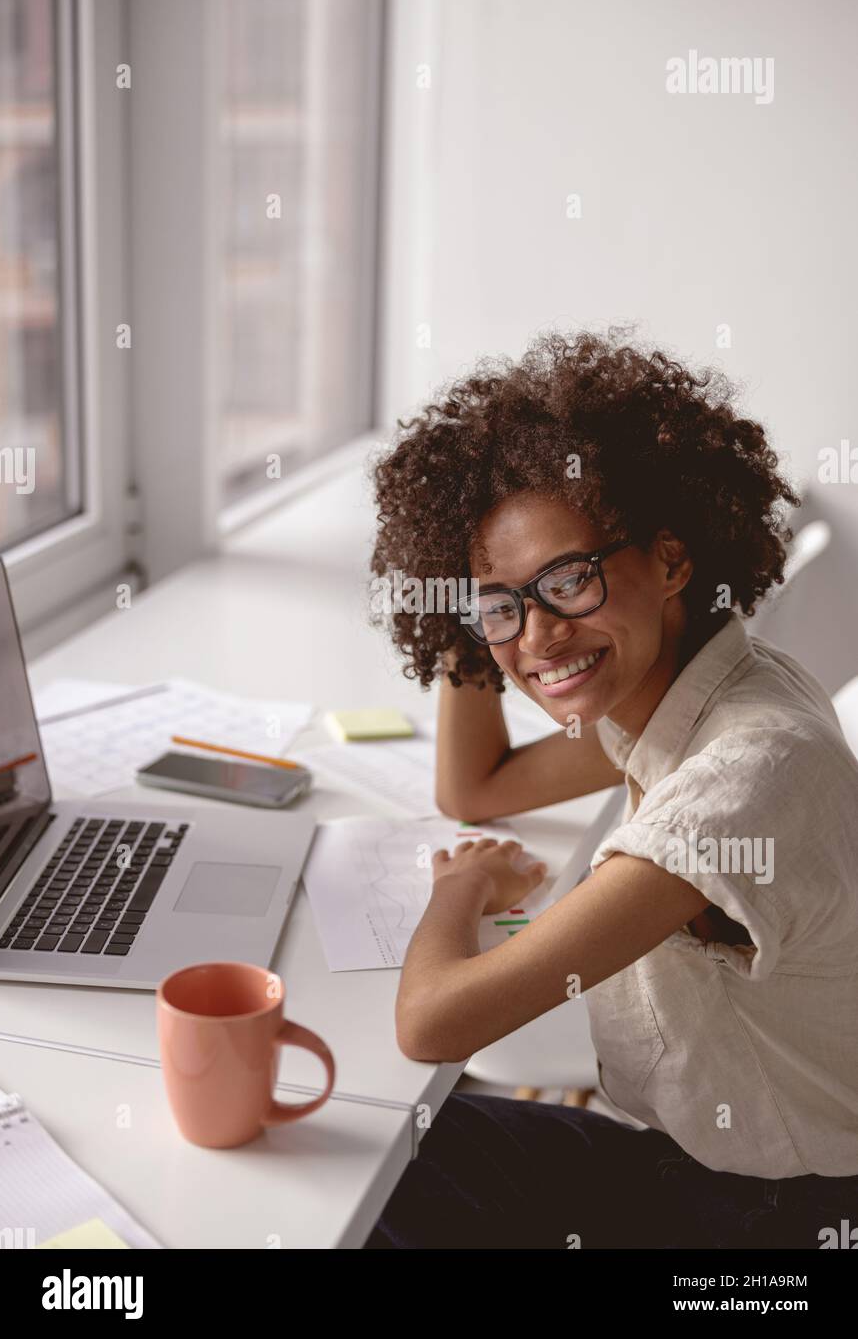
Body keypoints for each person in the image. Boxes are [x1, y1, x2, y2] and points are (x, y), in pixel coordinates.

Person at [362, 329, 858, 1249]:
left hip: (777, 1228)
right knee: (385, 1147)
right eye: (505, 603)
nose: (541, 637)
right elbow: (478, 785)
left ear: (673, 560)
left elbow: (434, 1023)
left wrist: (461, 887)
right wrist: (486, 612)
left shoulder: (743, 776)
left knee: (388, 1175)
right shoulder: (692, 686)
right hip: (700, 1165)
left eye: (570, 579)